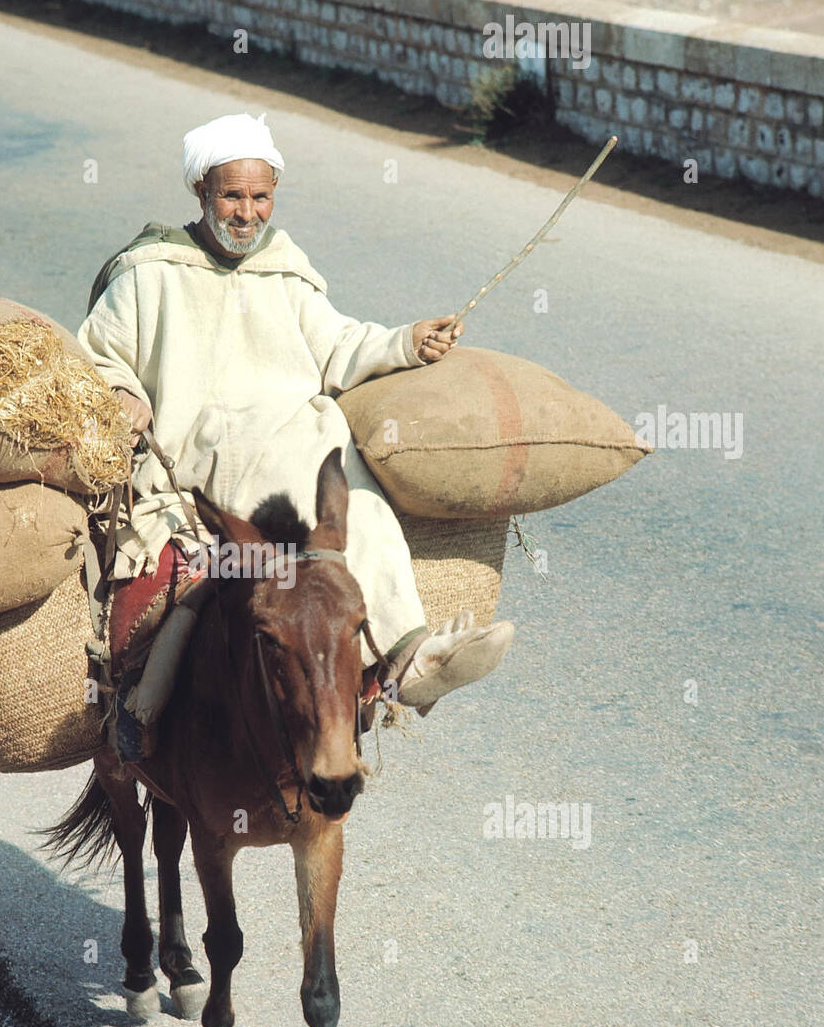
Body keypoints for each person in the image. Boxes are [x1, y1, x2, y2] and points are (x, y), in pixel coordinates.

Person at [77, 111, 513, 713]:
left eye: (261, 197)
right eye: (231, 196)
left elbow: (338, 344)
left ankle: (410, 657)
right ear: (201, 191)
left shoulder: (284, 266)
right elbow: (98, 358)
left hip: (301, 445)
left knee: (363, 510)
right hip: (203, 454)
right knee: (303, 456)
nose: (247, 213)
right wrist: (122, 392)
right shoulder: (148, 273)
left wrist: (406, 341)